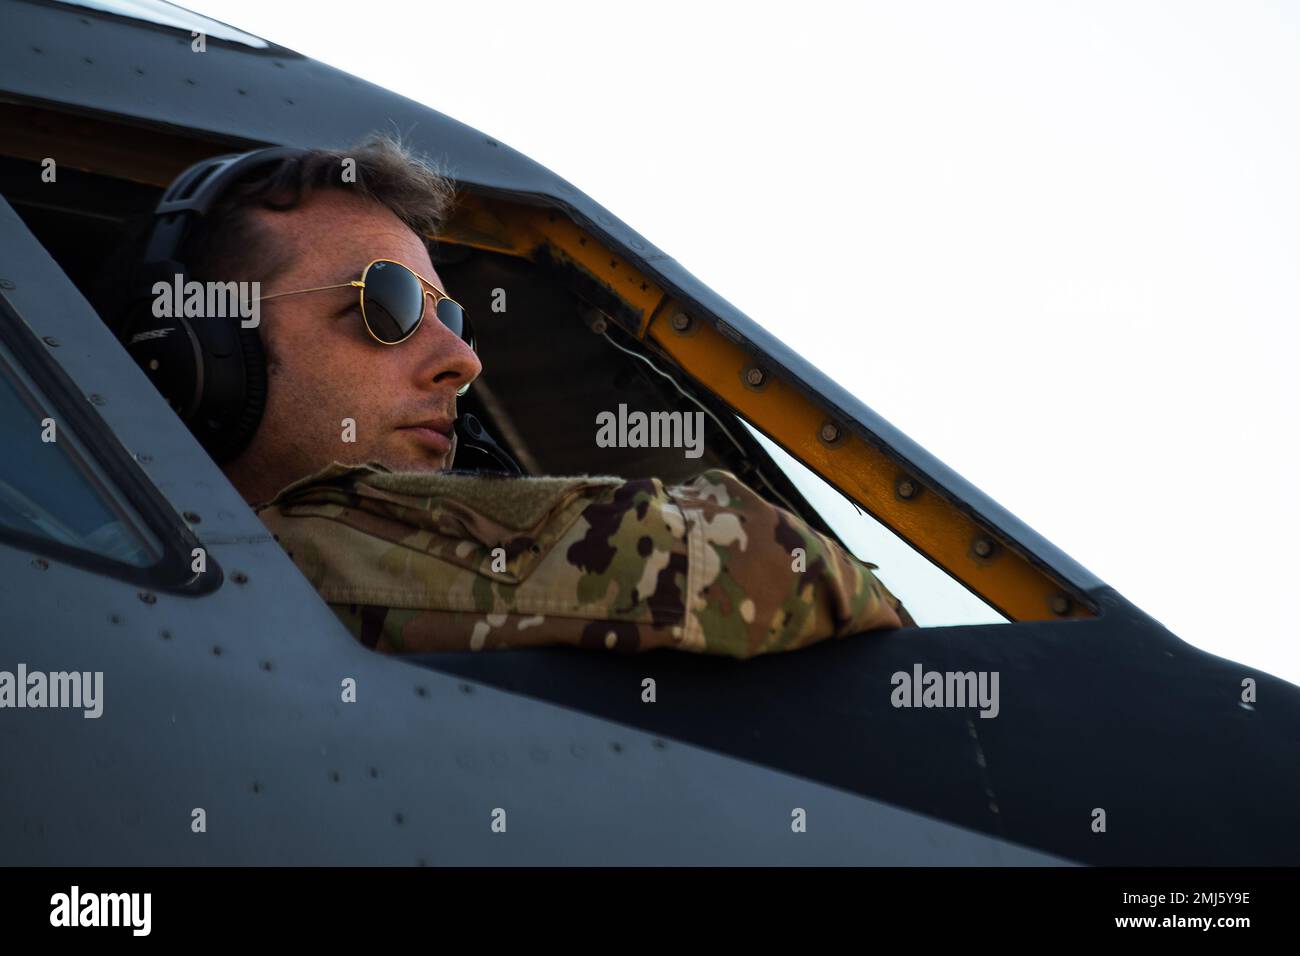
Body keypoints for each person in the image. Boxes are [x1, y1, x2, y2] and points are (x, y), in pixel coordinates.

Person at [114, 135, 914, 657]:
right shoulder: (292, 548)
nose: (462, 359)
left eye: (450, 315)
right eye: (385, 305)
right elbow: (757, 565)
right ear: (203, 348)